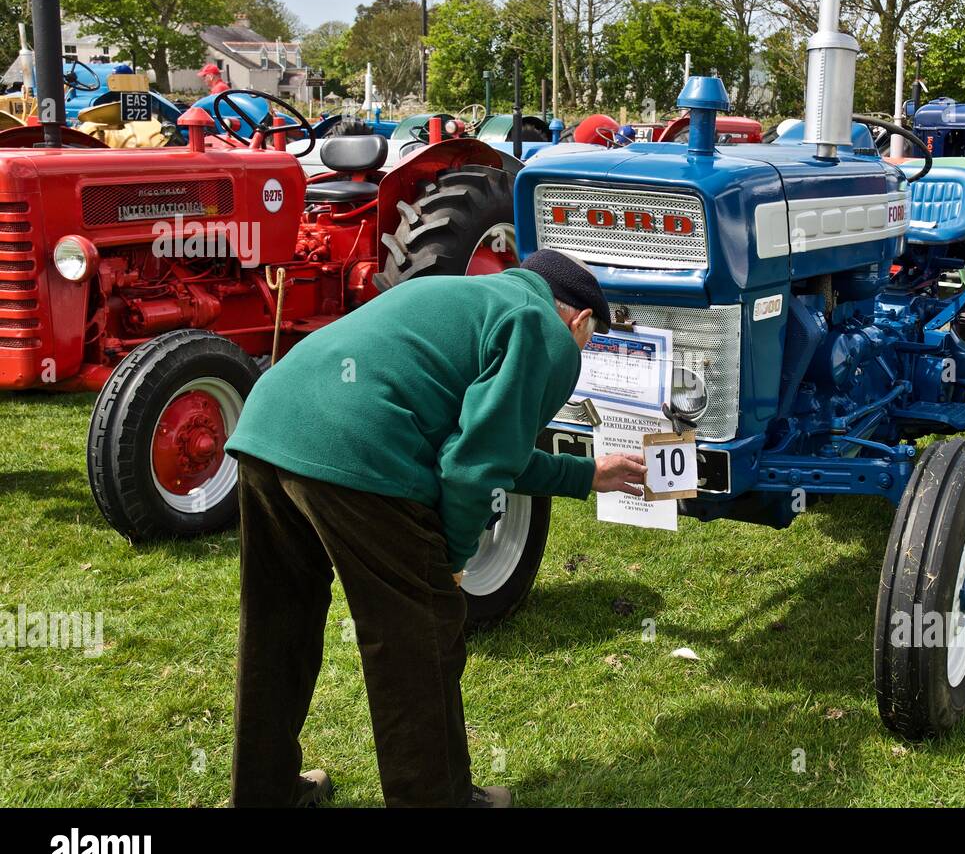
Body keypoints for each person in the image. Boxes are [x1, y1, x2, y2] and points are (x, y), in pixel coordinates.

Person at [223, 249, 648, 807]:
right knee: (419, 638)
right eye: (587, 344)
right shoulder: (544, 328)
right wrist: (452, 559)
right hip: (360, 453)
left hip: (270, 424)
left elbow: (487, 442)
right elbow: (474, 468)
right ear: (582, 320)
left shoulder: (479, 298)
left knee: (279, 622)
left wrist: (586, 473)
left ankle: (264, 794)